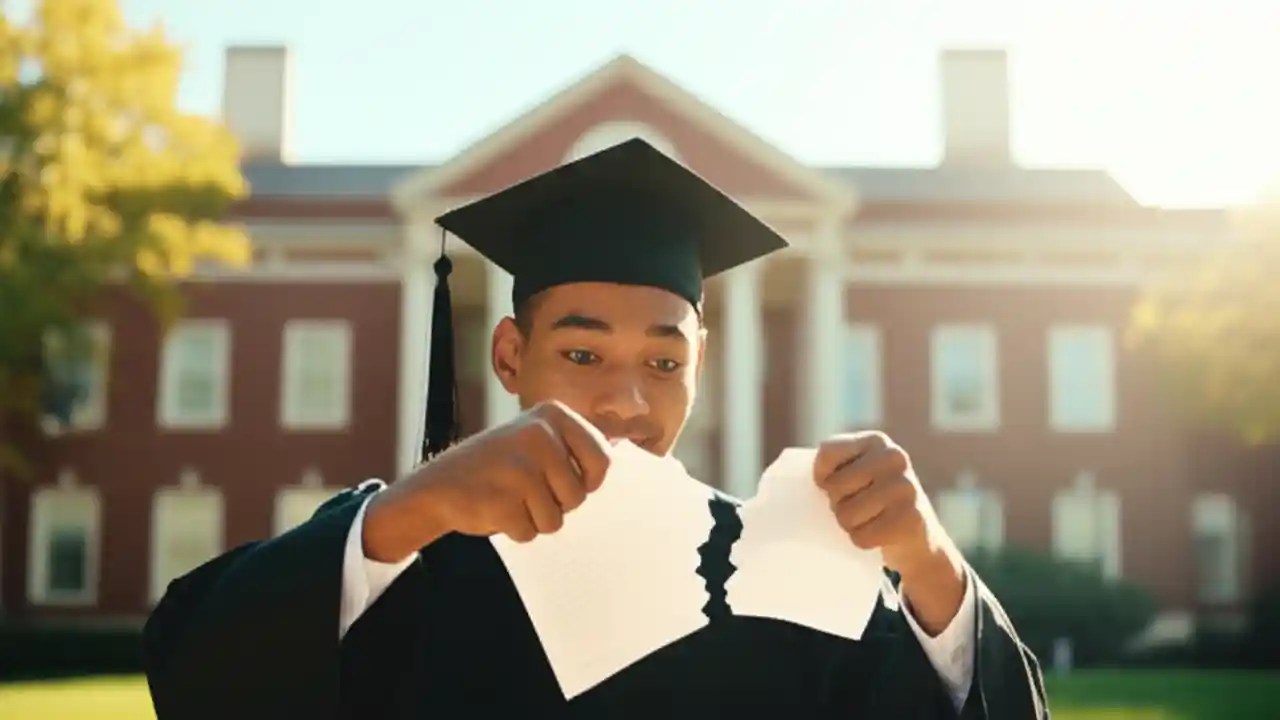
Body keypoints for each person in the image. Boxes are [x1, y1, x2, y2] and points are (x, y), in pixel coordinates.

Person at [143, 139, 1047, 718]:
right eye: (583, 357)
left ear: (700, 367)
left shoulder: (775, 569)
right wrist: (408, 512)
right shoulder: (403, 552)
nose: (627, 403)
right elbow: (199, 679)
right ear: (508, 356)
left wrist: (928, 564)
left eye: (664, 363)